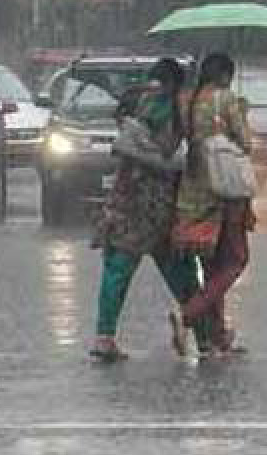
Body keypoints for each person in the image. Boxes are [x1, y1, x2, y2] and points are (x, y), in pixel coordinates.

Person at [89, 57, 207, 362]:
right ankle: (205, 333)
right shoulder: (175, 108)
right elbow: (175, 152)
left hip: (127, 197)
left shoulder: (134, 101)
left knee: (117, 268)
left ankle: (104, 337)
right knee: (178, 269)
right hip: (160, 201)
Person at [174, 53, 254, 357]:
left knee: (211, 265)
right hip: (225, 192)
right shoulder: (227, 100)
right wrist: (241, 113)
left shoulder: (186, 100)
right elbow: (244, 144)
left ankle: (217, 337)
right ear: (224, 76)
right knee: (236, 259)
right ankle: (189, 314)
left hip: (193, 191)